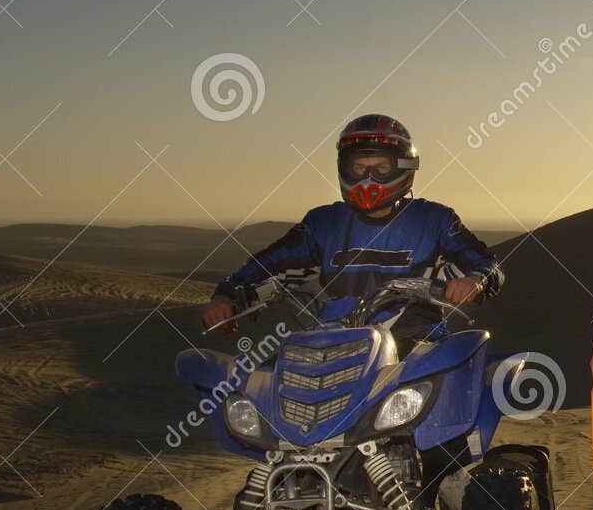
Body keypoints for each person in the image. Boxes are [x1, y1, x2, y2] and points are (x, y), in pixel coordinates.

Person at [200, 114, 503, 344]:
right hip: (334, 347)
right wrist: (225, 296)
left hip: (417, 348)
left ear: (403, 168)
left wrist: (475, 281)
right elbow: (267, 264)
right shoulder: (323, 223)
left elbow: (488, 266)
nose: (368, 177)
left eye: (381, 168)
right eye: (359, 167)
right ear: (344, 167)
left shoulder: (434, 219)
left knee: (457, 379)